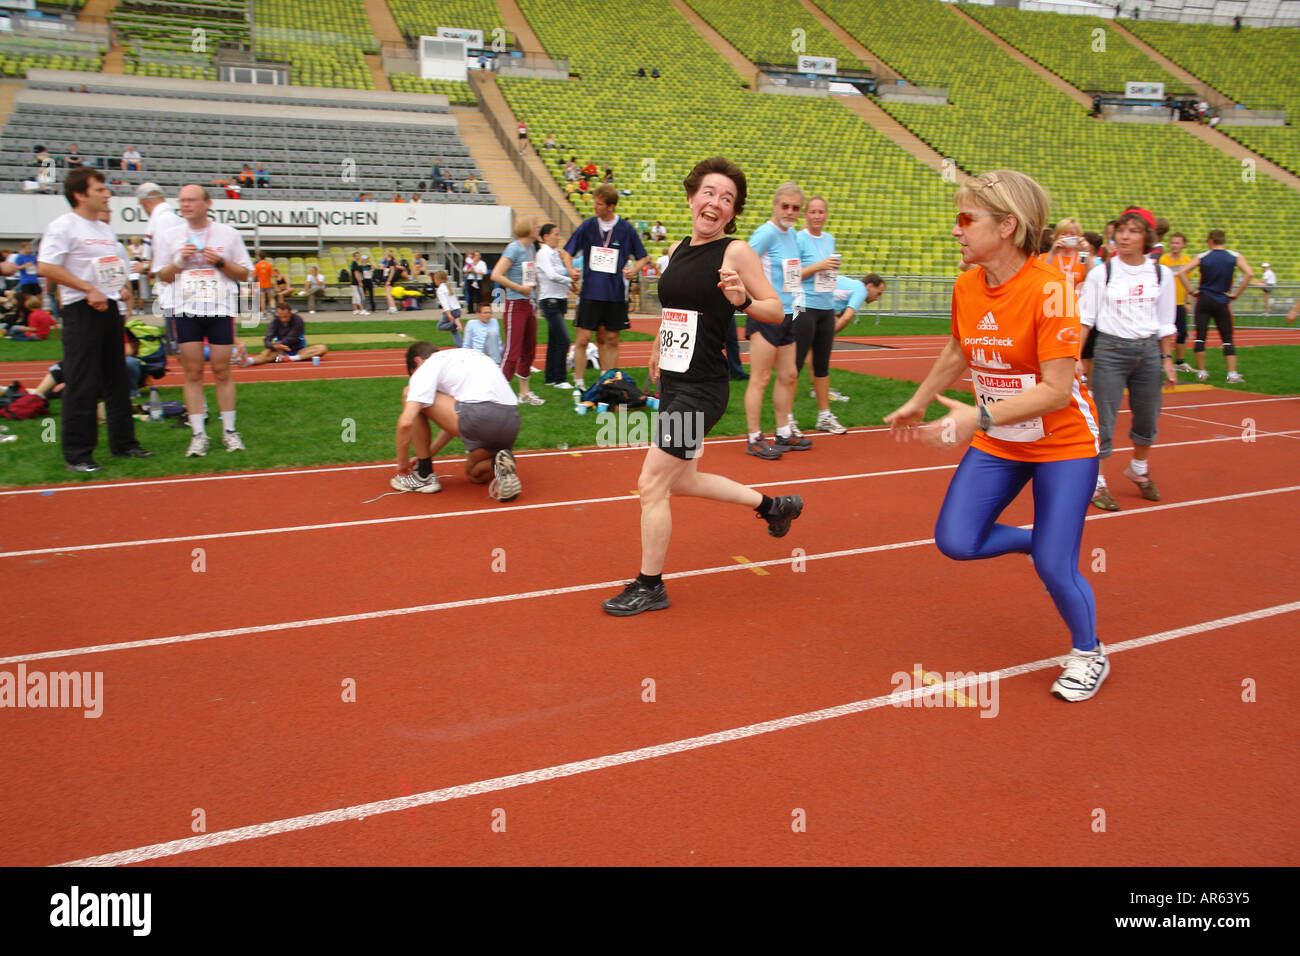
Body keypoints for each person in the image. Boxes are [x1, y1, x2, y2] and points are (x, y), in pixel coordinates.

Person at [884, 169, 1106, 701]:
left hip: (1063, 444)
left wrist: (977, 417)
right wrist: (918, 401)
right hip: (1003, 440)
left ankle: (1088, 652)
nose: (956, 230)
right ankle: (1041, 541)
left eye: (966, 219)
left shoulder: (1051, 291)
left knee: (1057, 567)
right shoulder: (967, 285)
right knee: (957, 541)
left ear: (1007, 226)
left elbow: (1056, 390)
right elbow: (959, 350)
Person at [602, 156, 800, 617]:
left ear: (732, 213)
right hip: (674, 381)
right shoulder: (676, 249)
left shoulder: (735, 252)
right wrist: (656, 348)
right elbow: (677, 310)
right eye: (709, 193)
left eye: (727, 199)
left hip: (703, 387)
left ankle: (650, 585)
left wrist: (743, 300)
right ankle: (775, 506)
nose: (716, 202)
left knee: (651, 484)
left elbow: (776, 310)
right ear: (692, 197)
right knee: (684, 479)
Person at [37, 167, 151, 471]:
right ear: (80, 194)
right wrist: (87, 288)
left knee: (117, 378)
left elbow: (108, 268)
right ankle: (78, 454)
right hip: (81, 312)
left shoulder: (104, 230)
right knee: (82, 382)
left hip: (109, 309)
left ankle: (124, 444)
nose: (106, 194)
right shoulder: (63, 226)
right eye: (99, 189)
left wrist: (121, 289)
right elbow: (46, 267)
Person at [1078, 208, 1177, 511]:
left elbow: (1165, 321)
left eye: (1133, 231)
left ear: (1147, 237)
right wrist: (1075, 357)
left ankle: (1139, 468)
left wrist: (1167, 359)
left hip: (1147, 352)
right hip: (1109, 351)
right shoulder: (1102, 272)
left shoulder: (1161, 273)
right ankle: (1097, 482)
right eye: (1121, 230)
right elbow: (1085, 317)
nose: (1124, 236)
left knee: (1148, 416)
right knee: (1103, 420)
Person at [152, 183, 254, 456]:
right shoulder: (170, 236)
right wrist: (179, 262)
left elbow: (244, 274)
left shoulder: (228, 234)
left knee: (222, 371)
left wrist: (220, 262)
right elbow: (162, 276)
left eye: (192, 200)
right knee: (193, 372)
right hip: (186, 310)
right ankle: (198, 434)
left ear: (207, 203)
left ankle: (230, 432)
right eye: (182, 200)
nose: (185, 205)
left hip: (219, 309)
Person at [392, 342, 523, 502]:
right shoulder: (462, 357)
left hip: (480, 417)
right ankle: (498, 464)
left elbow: (406, 422)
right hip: (512, 421)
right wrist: (427, 454)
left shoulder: (428, 366)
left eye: (413, 375)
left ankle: (423, 476)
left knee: (409, 394)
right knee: (474, 474)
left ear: (418, 361)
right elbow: (453, 418)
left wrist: (402, 464)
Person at [744, 183, 812, 460]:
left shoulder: (792, 233)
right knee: (760, 378)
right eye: (785, 206)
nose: (790, 211)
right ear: (774, 205)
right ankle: (754, 437)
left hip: (790, 313)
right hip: (766, 315)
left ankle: (783, 431)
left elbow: (791, 274)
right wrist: (752, 301)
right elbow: (740, 260)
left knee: (789, 376)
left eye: (796, 207)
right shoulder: (766, 233)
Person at [562, 184, 649, 389]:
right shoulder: (588, 226)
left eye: (599, 204)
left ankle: (607, 380)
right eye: (595, 202)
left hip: (616, 294)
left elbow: (643, 257)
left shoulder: (626, 230)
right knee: (583, 338)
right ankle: (580, 382)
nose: (595, 206)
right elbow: (567, 252)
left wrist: (633, 270)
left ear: (611, 207)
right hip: (590, 292)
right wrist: (570, 271)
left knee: (610, 338)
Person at [795, 196, 846, 435]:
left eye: (821, 212)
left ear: (826, 215)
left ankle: (824, 416)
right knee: (793, 365)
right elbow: (793, 275)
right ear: (806, 214)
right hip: (803, 306)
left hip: (826, 307)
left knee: (822, 365)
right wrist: (820, 266)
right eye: (812, 212)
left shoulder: (830, 239)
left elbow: (828, 273)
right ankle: (787, 418)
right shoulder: (798, 238)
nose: (817, 216)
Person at [1174, 229, 1252, 383]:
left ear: (1210, 241)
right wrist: (1236, 294)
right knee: (1227, 338)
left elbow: (1182, 271)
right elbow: (1249, 273)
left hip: (1203, 299)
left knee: (1200, 337)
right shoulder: (1235, 256)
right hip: (1222, 299)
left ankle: (1202, 372)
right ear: (1223, 240)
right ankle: (1232, 374)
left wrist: (1191, 290)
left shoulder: (1203, 256)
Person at [490, 216, 545, 405]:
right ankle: (497, 394)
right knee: (512, 352)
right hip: (515, 304)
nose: (539, 228)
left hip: (529, 304)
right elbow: (496, 274)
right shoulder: (514, 248)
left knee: (529, 351)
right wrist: (519, 288)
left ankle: (524, 393)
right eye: (536, 226)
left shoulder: (530, 248)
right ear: (528, 228)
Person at [535, 223, 574, 389]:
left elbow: (560, 274)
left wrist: (569, 284)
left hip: (559, 299)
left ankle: (550, 377)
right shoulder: (544, 253)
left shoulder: (555, 254)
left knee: (554, 340)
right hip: (549, 300)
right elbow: (551, 275)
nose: (559, 237)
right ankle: (560, 379)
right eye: (556, 234)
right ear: (546, 236)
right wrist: (570, 280)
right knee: (564, 340)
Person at [244, 302, 328, 365]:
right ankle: (249, 361)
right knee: (266, 352)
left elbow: (293, 337)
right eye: (280, 317)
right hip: (281, 351)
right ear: (277, 314)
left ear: (290, 313)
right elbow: (267, 338)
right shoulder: (275, 322)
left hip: (299, 350)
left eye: (285, 317)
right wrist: (273, 346)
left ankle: (291, 358)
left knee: (322, 348)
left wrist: (280, 344)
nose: (283, 319)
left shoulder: (298, 320)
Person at [1158, 231, 1194, 370]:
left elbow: (1187, 283)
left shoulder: (1186, 261)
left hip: (1179, 302)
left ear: (1183, 245)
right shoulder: (1164, 260)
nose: (1174, 245)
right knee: (1163, 332)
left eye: (1177, 243)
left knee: (1182, 332)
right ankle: (1162, 359)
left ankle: (1180, 362)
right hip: (1166, 302)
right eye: (1172, 242)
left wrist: (1188, 301)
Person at [433, 270, 464, 346]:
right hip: (457, 309)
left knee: (440, 326)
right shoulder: (448, 287)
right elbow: (452, 300)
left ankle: (455, 324)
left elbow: (445, 303)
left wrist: (448, 314)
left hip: (451, 311)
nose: (434, 281)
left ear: (438, 280)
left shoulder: (440, 290)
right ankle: (460, 345)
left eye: (434, 279)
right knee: (454, 331)